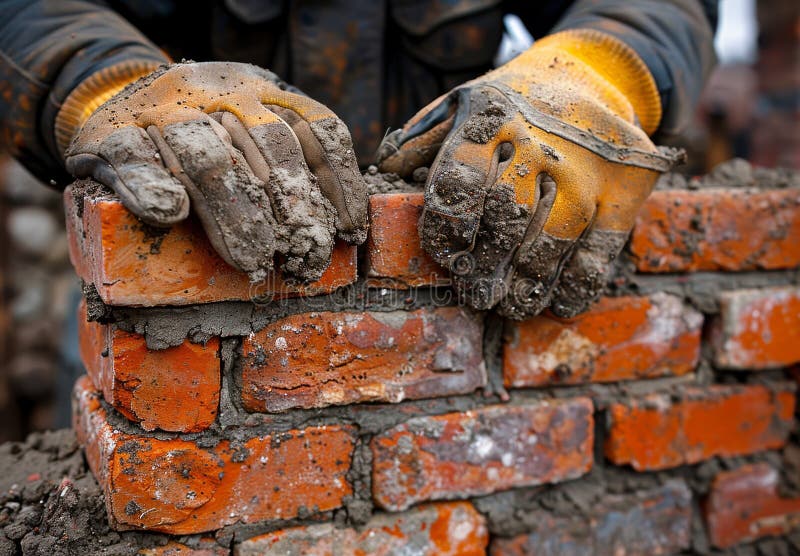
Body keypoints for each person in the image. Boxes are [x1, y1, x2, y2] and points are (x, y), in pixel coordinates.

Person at [0, 0, 717, 319]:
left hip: (440, 271)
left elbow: (660, 4)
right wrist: (110, 84)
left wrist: (589, 72)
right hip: (179, 266)